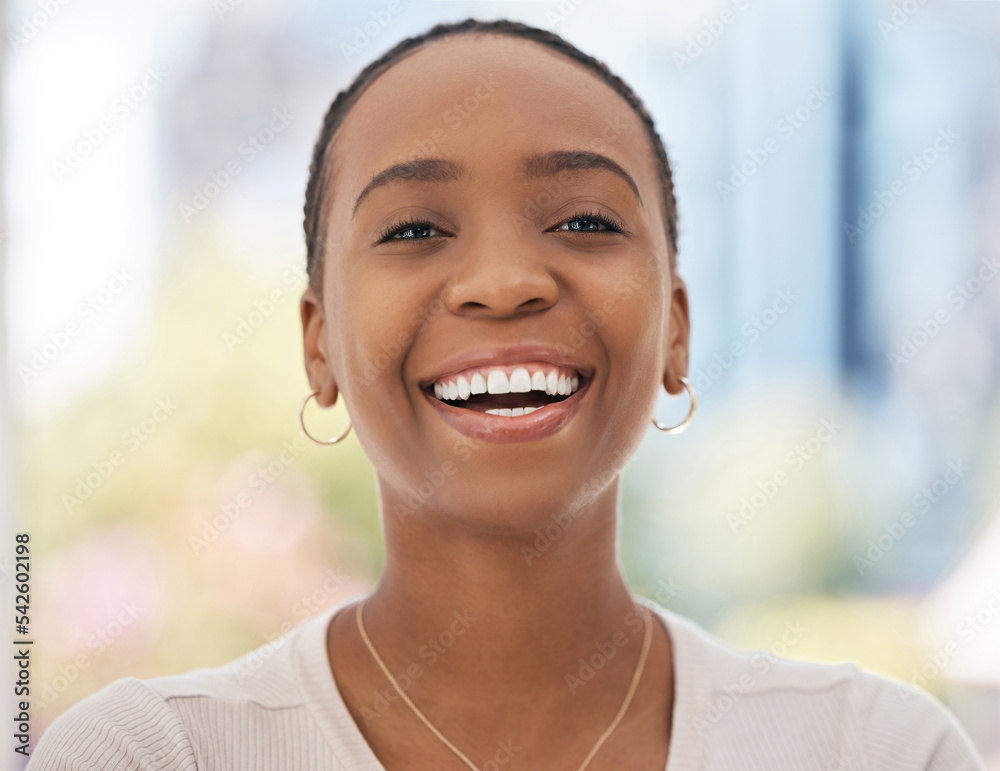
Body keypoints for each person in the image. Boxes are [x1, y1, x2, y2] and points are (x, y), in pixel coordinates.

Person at [27, 17, 985, 771]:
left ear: (677, 331)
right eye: (412, 230)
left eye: (581, 217)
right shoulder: (152, 757)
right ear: (319, 347)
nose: (503, 280)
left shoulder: (873, 750)